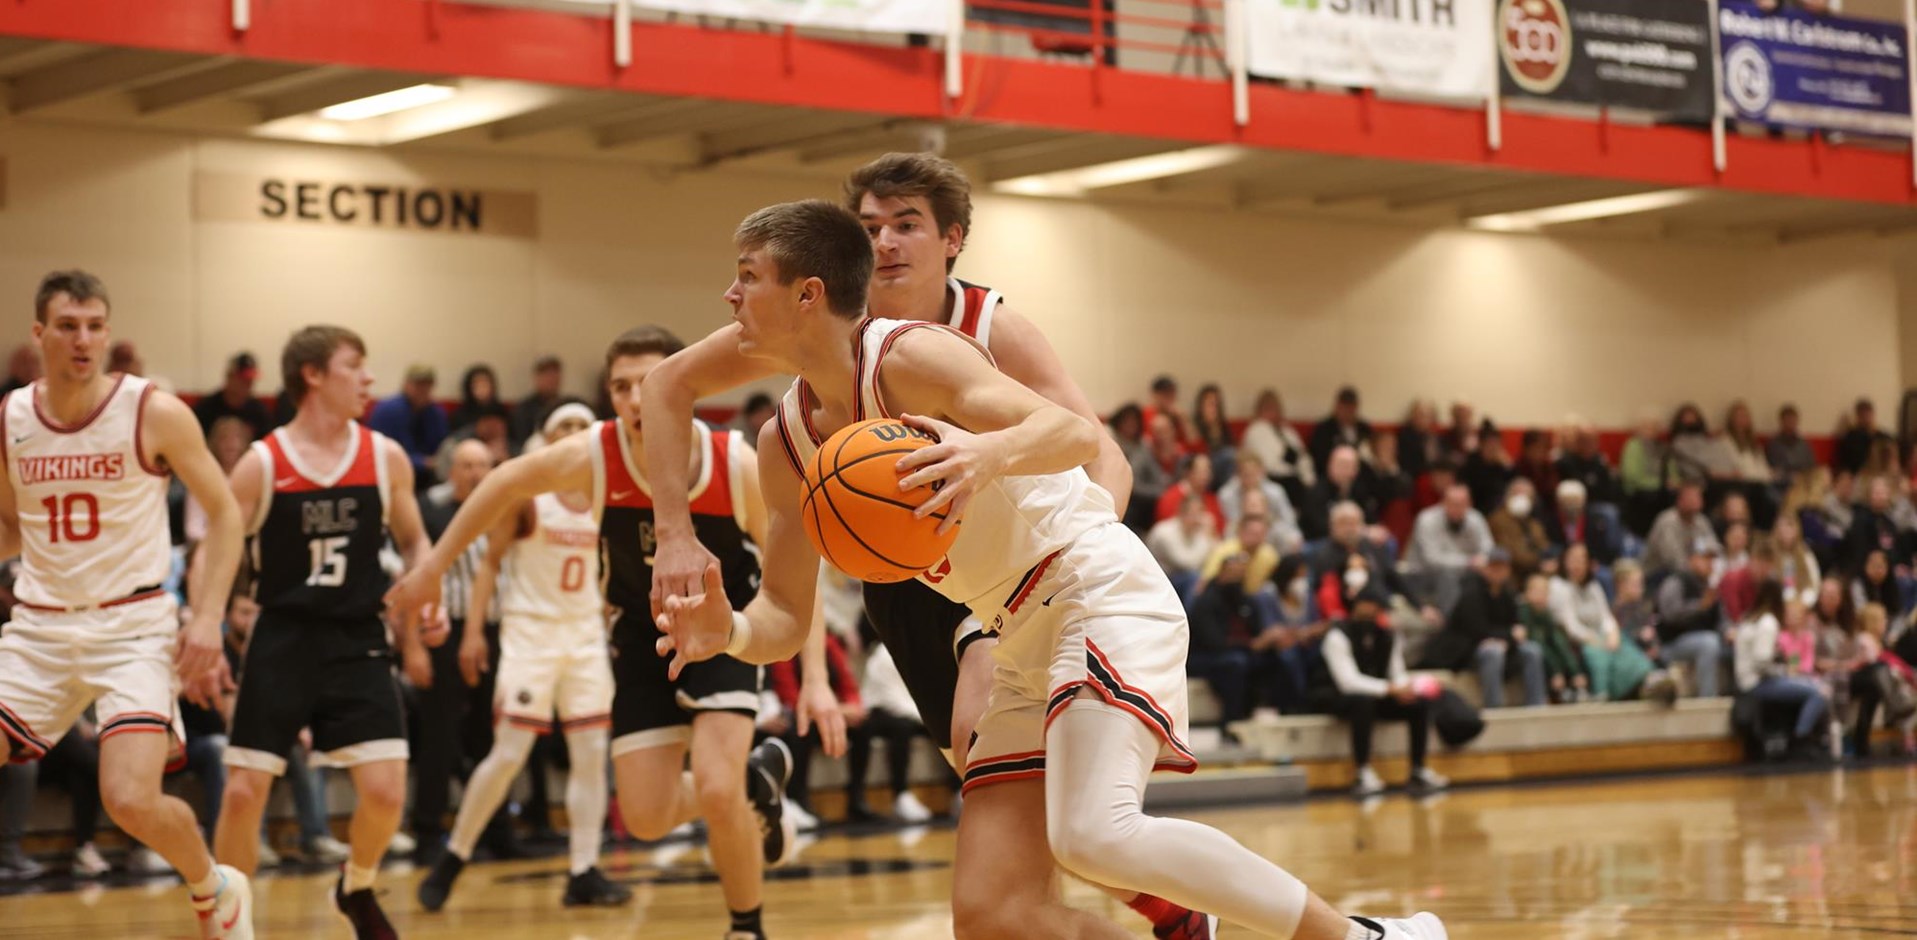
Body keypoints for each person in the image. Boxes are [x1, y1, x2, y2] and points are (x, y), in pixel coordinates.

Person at [653, 199, 1444, 940]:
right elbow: (786, 620)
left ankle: (1366, 937)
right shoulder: (783, 444)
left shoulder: (911, 355)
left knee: (1095, 834)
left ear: (806, 295)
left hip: (1089, 585)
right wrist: (724, 628)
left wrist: (982, 451)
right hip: (1017, 632)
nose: (728, 295)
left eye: (747, 275)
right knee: (994, 910)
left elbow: (1069, 432)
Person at [633, 156, 1216, 940]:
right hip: (896, 569)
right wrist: (673, 538)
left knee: (1005, 750)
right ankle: (1162, 907)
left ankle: (1178, 903)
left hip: (1010, 560)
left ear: (952, 241)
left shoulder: (984, 328)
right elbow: (667, 384)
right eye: (870, 227)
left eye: (906, 224)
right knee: (994, 792)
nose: (886, 242)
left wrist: (1070, 560)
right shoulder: (806, 322)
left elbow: (1093, 447)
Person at [388, 327, 815, 940]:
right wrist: (430, 568)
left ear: (684, 381)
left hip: (723, 630)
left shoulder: (733, 462)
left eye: (649, 382)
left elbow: (795, 569)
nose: (637, 399)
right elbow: (504, 482)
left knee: (718, 791)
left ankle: (745, 926)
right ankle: (758, 779)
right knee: (644, 817)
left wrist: (817, 678)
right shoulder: (595, 454)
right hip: (641, 637)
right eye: (620, 387)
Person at [0, 271, 253, 933]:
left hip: (132, 628)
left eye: (94, 326)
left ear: (107, 332)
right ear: (39, 333)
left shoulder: (155, 411)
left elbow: (225, 515)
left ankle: (214, 885)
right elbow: (8, 521)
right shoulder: (12, 417)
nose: (83, 340)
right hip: (40, 631)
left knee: (131, 801)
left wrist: (205, 618)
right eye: (68, 326)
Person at [210, 325, 442, 937]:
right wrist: (206, 626)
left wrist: (427, 586)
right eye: (354, 366)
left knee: (388, 792)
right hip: (282, 635)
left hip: (357, 635)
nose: (369, 379)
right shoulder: (263, 463)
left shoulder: (383, 456)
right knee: (241, 793)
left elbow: (416, 538)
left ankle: (357, 882)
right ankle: (230, 927)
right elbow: (218, 552)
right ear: (312, 375)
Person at [417, 401, 629, 909]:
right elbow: (489, 564)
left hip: (583, 637)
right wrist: (472, 633)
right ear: (547, 437)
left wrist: (610, 618)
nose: (575, 434)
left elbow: (607, 571)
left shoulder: (605, 495)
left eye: (583, 427)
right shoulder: (529, 496)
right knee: (509, 752)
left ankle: (584, 868)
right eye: (565, 427)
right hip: (529, 634)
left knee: (591, 756)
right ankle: (456, 854)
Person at [1309, 589, 1446, 799]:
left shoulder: (1387, 635)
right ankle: (1362, 771)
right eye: (1372, 604)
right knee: (1362, 702)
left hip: (1375, 695)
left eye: (1379, 607)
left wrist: (1404, 690)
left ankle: (1418, 770)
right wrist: (1390, 689)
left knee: (1417, 704)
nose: (1376, 611)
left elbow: (1397, 672)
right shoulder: (1338, 635)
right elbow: (1348, 682)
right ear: (1358, 604)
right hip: (1334, 696)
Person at [1419, 550, 1545, 708]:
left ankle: (1536, 706)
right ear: (1485, 568)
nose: (1497, 572)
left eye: (1501, 567)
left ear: (1508, 570)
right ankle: (1494, 707)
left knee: (1532, 650)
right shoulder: (1471, 593)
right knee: (1493, 651)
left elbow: (1517, 628)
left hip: (1503, 646)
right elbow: (1477, 631)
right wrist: (1507, 637)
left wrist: (1507, 638)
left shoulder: (1508, 594)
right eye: (1493, 567)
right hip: (1467, 651)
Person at [1734, 581, 1829, 759]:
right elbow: (1761, 662)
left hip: (1746, 681)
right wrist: (1783, 672)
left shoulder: (1749, 619)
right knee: (1817, 692)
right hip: (1757, 683)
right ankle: (1801, 738)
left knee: (1808, 684)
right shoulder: (1768, 623)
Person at [1403, 484, 1493, 616]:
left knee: (1495, 572)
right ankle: (1451, 623)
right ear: (1443, 503)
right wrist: (1469, 562)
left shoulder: (1475, 518)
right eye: (1453, 504)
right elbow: (1432, 559)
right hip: (1423, 574)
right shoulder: (1427, 519)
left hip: (1465, 573)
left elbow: (1488, 549)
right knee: (1447, 575)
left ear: (1469, 504)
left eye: (1461, 504)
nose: (1456, 509)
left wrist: (1482, 561)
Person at [1654, 539, 1727, 698]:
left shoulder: (1710, 586)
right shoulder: (1676, 581)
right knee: (1709, 643)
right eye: (1705, 558)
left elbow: (1721, 620)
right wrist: (1699, 606)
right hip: (1671, 644)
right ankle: (1708, 702)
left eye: (1712, 559)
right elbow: (1669, 614)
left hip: (1698, 642)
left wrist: (1728, 631)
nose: (1710, 564)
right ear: (1692, 559)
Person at [366, 362, 448, 489]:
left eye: (427, 385)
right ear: (406, 384)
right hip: (389, 475)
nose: (423, 389)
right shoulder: (389, 410)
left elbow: (441, 446)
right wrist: (423, 462)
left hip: (427, 479)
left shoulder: (435, 412)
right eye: (418, 384)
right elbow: (381, 453)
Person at [1519, 573, 1590, 703]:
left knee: (1563, 644)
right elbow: (1538, 642)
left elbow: (1557, 642)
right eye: (1537, 591)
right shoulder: (1524, 612)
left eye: (1544, 592)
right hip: (1532, 659)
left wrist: (1575, 671)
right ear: (1527, 593)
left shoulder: (1546, 614)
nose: (1541, 596)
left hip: (1549, 659)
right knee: (1537, 651)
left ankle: (1574, 686)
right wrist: (1555, 672)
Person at [1240, 389, 1314, 508]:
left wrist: (1308, 480)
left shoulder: (1288, 431)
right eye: (1267, 408)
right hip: (1271, 478)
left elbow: (1303, 457)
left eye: (1275, 408)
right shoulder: (1256, 430)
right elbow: (1268, 464)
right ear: (1259, 410)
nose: (1272, 413)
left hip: (1296, 479)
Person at [1644, 482, 1720, 580]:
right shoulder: (1667, 521)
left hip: (1691, 573)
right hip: (1657, 574)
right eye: (1690, 498)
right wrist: (1694, 565)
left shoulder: (1701, 521)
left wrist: (1704, 560)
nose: (1695, 501)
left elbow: (1712, 548)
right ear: (1680, 500)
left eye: (1697, 497)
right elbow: (1672, 560)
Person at [193, 352, 272, 440]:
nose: (248, 385)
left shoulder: (259, 412)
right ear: (229, 377)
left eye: (251, 380)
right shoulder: (206, 409)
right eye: (243, 380)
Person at [1487, 477, 1552, 580]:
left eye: (1527, 496)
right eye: (1517, 494)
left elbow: (1545, 547)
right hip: (1512, 574)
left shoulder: (1534, 524)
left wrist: (1548, 561)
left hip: (1536, 572)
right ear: (1508, 496)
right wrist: (1539, 561)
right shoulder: (1498, 520)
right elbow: (1512, 554)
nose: (1522, 499)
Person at [1309, 386, 1372, 480]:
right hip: (1332, 476)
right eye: (1344, 407)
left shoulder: (1364, 429)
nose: (1347, 412)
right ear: (1336, 407)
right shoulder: (1324, 430)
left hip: (1361, 475)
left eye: (1351, 407)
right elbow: (1319, 458)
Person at [509, 355, 566, 453]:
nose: (551, 379)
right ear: (537, 378)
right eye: (547, 375)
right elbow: (518, 442)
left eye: (555, 374)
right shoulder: (524, 409)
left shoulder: (567, 406)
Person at [1836, 398, 1893, 476]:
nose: (1867, 418)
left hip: (1882, 473)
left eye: (1869, 415)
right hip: (1860, 474)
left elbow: (1892, 446)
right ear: (1858, 417)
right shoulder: (1852, 437)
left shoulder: (1882, 435)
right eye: (1863, 415)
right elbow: (1853, 463)